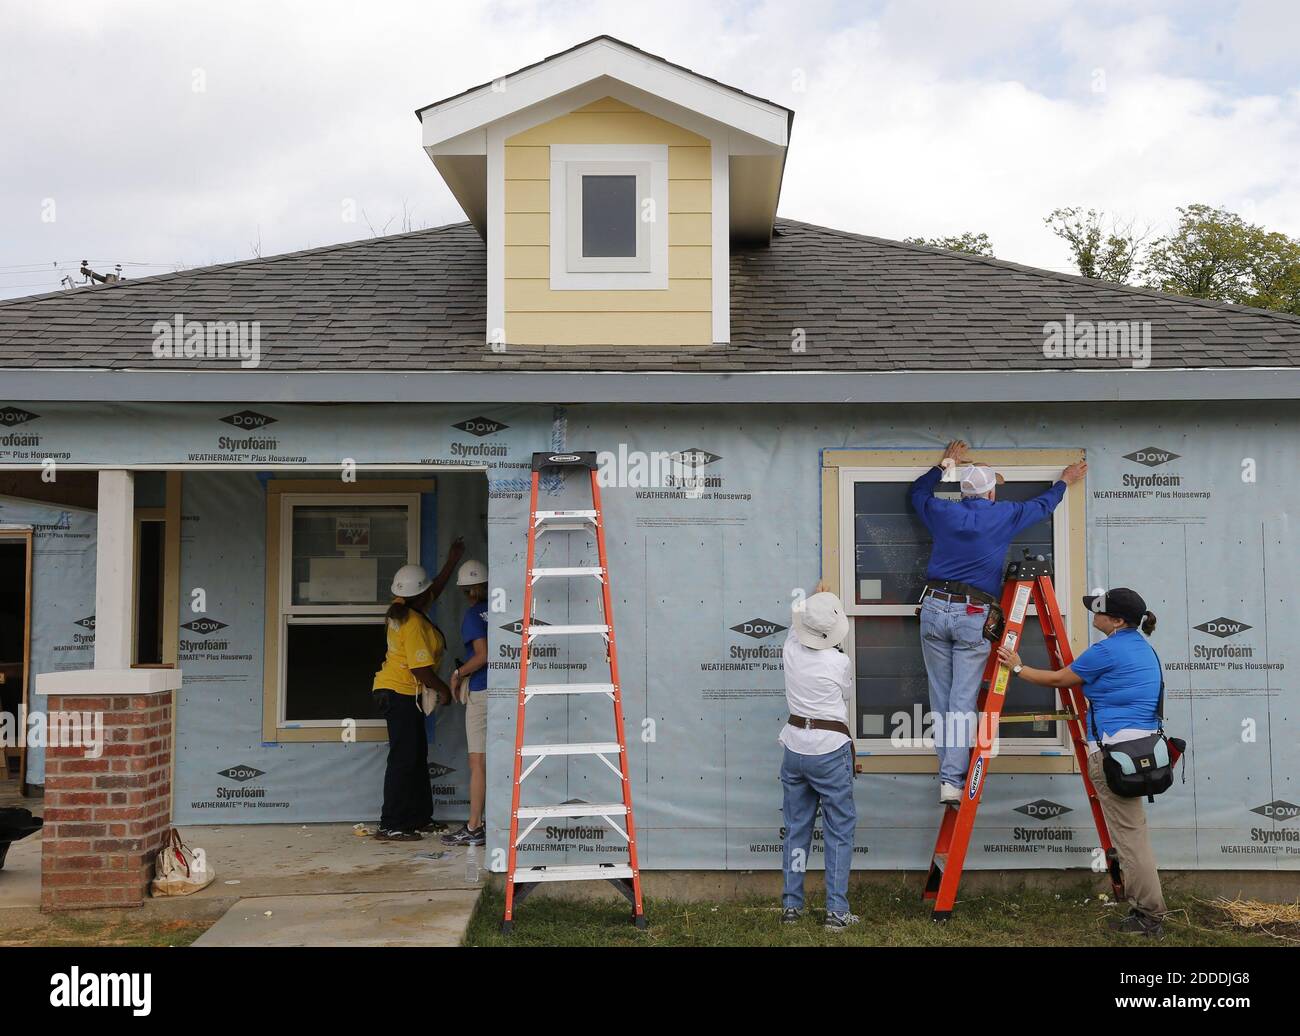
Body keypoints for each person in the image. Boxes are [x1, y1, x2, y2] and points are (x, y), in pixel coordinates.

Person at [910, 440, 1086, 805]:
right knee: (960, 699)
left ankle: (949, 779)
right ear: (991, 492)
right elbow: (1042, 506)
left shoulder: (942, 512)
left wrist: (946, 463)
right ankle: (952, 778)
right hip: (972, 613)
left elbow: (918, 492)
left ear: (962, 490)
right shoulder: (1003, 514)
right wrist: (1064, 481)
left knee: (941, 697)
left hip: (934, 606)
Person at [997, 587, 1168, 937]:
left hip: (1116, 757)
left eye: (1100, 611)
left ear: (1117, 620)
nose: (1095, 614)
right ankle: (1147, 910)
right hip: (1141, 752)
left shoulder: (1107, 650)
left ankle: (1149, 915)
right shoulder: (1143, 649)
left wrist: (1017, 667)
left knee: (1131, 839)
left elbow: (1060, 679)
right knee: (1134, 833)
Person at [779, 583, 859, 931]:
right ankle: (836, 912)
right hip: (829, 749)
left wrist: (814, 599)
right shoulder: (840, 662)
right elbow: (847, 696)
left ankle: (792, 908)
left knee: (797, 829)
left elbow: (797, 629)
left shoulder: (790, 650)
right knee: (838, 831)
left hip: (795, 746)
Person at [372, 564, 452, 841]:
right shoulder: (414, 623)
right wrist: (445, 691)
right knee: (403, 760)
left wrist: (451, 562)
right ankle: (391, 823)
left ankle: (418, 818)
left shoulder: (401, 606)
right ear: (421, 595)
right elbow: (421, 670)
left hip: (399, 693)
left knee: (416, 758)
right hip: (400, 693)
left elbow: (430, 592)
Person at [443, 560, 490, 848]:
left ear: (470, 591)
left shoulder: (474, 615)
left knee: (478, 762)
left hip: (483, 690)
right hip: (508, 690)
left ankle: (474, 826)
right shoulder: (505, 609)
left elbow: (483, 656)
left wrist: (458, 673)